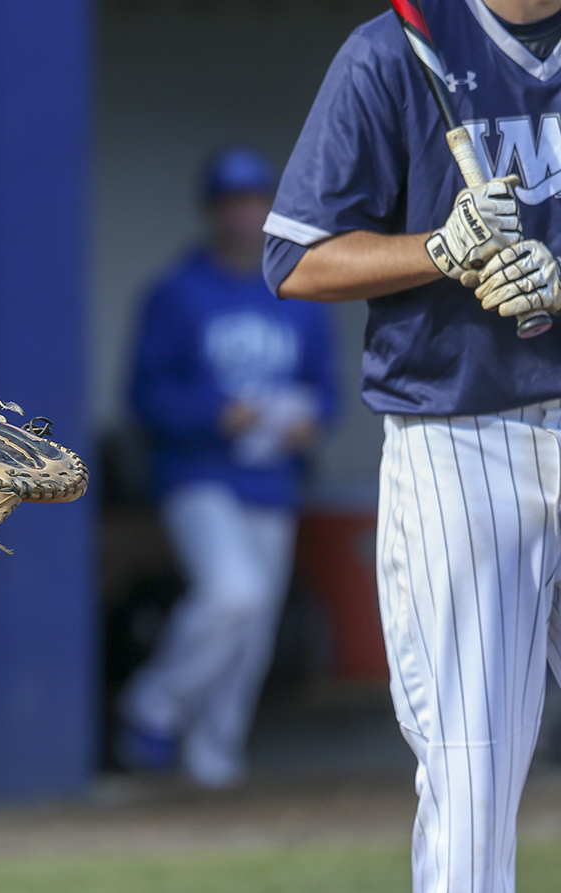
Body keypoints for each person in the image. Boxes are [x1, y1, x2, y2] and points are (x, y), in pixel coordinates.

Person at [270, 1, 561, 893]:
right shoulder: (389, 50)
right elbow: (296, 257)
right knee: (475, 768)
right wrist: (438, 251)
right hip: (457, 437)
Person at [116, 146, 336, 789]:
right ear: (212, 211)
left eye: (254, 200)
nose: (243, 213)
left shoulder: (297, 290)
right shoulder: (178, 291)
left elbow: (323, 388)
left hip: (273, 477)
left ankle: (214, 762)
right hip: (199, 475)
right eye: (231, 202)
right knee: (232, 593)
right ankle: (152, 708)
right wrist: (216, 412)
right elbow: (144, 397)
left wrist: (309, 420)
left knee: (254, 632)